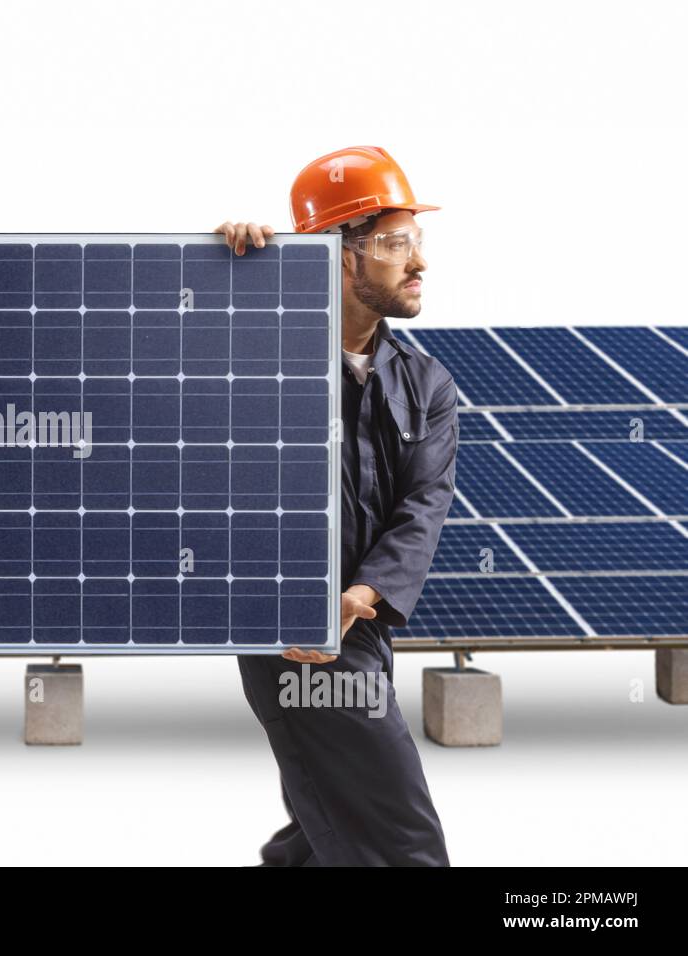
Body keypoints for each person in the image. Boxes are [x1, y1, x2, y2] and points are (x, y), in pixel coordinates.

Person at [215, 145, 457, 865]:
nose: (418, 262)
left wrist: (366, 590)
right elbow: (169, 385)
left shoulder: (426, 383)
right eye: (393, 242)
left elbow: (425, 502)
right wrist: (231, 279)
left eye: (418, 241)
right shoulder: (258, 348)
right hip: (292, 629)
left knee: (328, 824)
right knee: (399, 838)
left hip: (366, 621)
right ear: (337, 254)